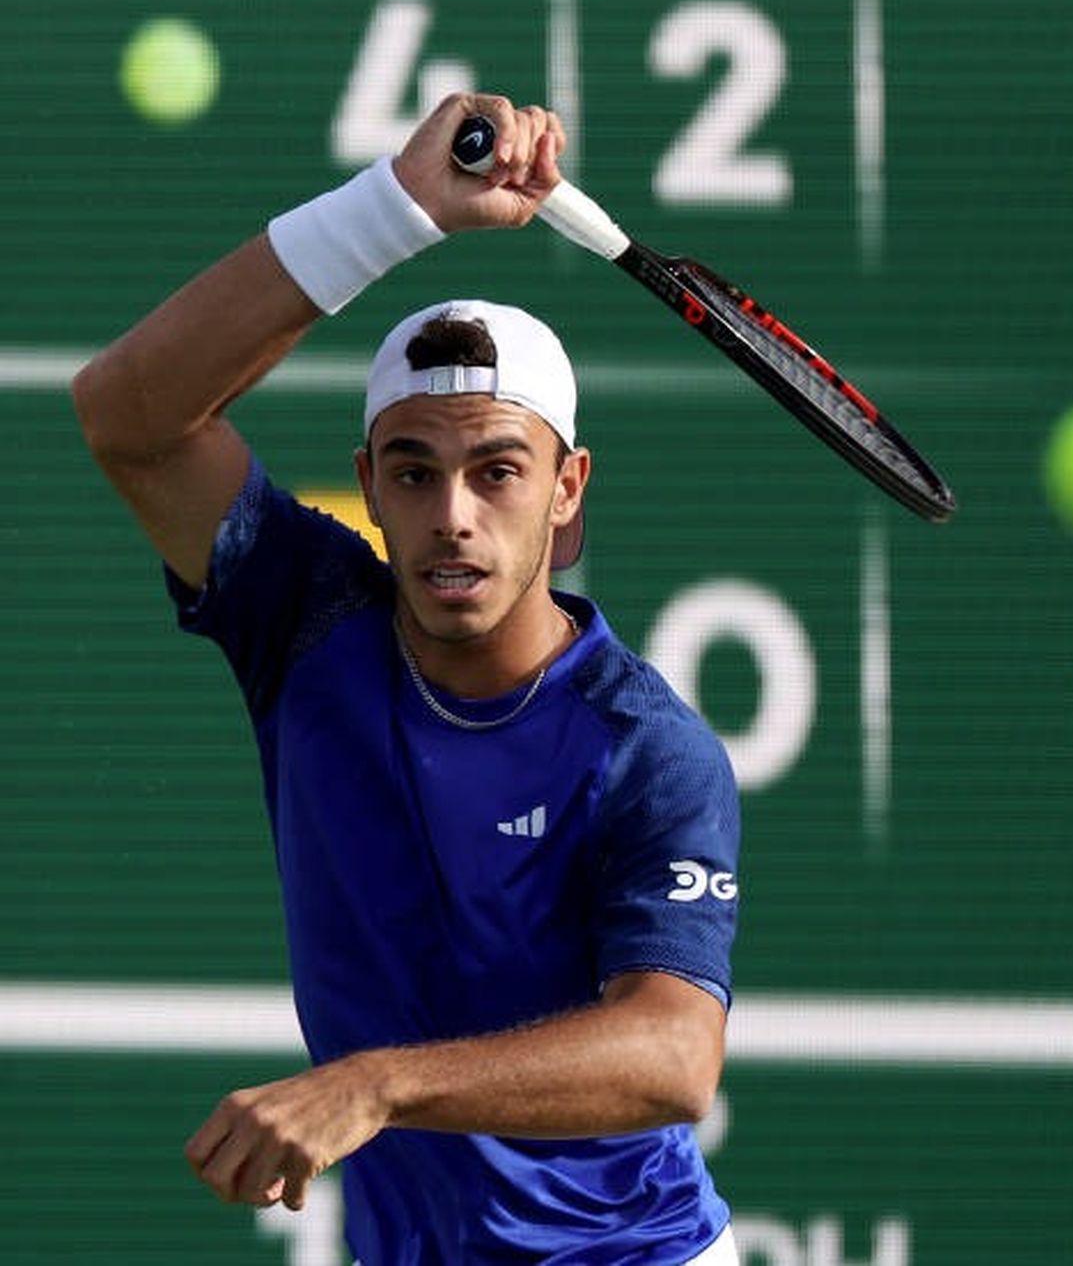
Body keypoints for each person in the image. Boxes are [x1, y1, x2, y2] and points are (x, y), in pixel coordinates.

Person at [73, 93, 741, 1264]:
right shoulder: (308, 618)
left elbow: (671, 1057)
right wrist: (395, 211)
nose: (454, 519)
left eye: (498, 472)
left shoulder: (647, 744)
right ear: (367, 484)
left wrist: (376, 1086)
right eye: (415, 473)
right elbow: (128, 414)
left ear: (568, 490)